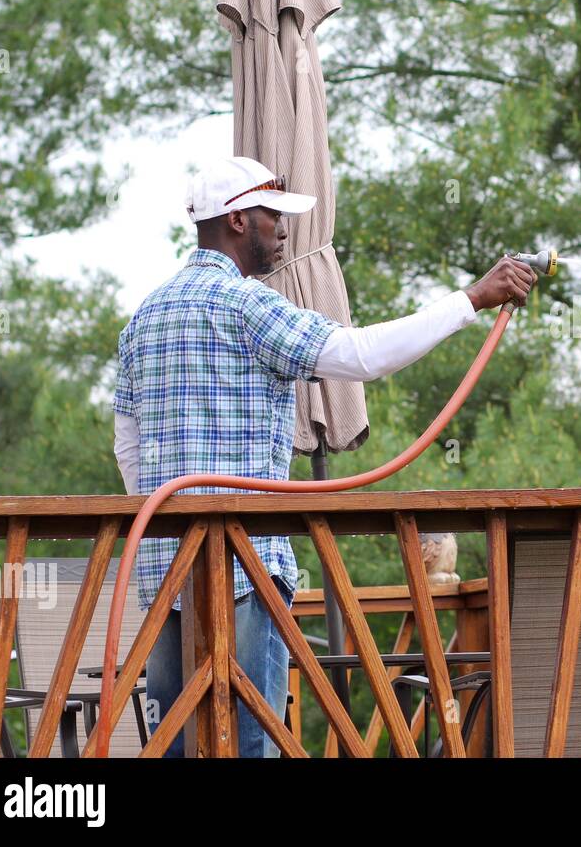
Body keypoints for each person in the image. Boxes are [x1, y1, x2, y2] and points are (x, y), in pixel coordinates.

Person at [111, 155, 536, 756]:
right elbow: (362, 356)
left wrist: (163, 519)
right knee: (250, 741)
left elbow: (126, 442)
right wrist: (471, 299)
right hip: (244, 568)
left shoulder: (143, 319)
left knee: (176, 748)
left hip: (162, 573)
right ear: (237, 221)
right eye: (272, 216)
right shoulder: (247, 307)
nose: (284, 229)